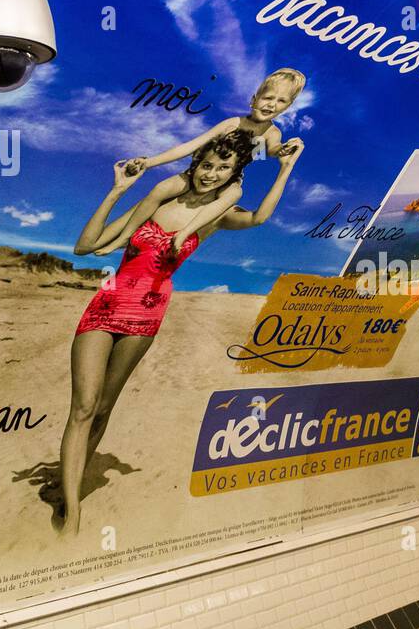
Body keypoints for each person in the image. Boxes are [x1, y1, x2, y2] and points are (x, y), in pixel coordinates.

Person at [57, 135, 302, 535]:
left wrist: (285, 169)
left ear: (233, 174)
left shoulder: (215, 218)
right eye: (207, 165)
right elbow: (85, 246)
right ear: (195, 163)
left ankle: (72, 480)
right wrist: (118, 190)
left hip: (147, 316)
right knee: (83, 406)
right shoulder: (156, 203)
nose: (212, 175)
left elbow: (259, 218)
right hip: (106, 307)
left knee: (103, 409)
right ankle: (72, 515)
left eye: (222, 169)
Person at [106, 68, 307, 255]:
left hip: (230, 179)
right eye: (268, 97)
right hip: (198, 173)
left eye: (281, 101)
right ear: (254, 100)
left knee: (236, 193)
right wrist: (148, 162)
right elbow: (190, 146)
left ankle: (184, 233)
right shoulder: (232, 123)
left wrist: (283, 149)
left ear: (287, 107)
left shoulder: (271, 133)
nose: (272, 104)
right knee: (161, 187)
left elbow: (271, 150)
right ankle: (124, 237)